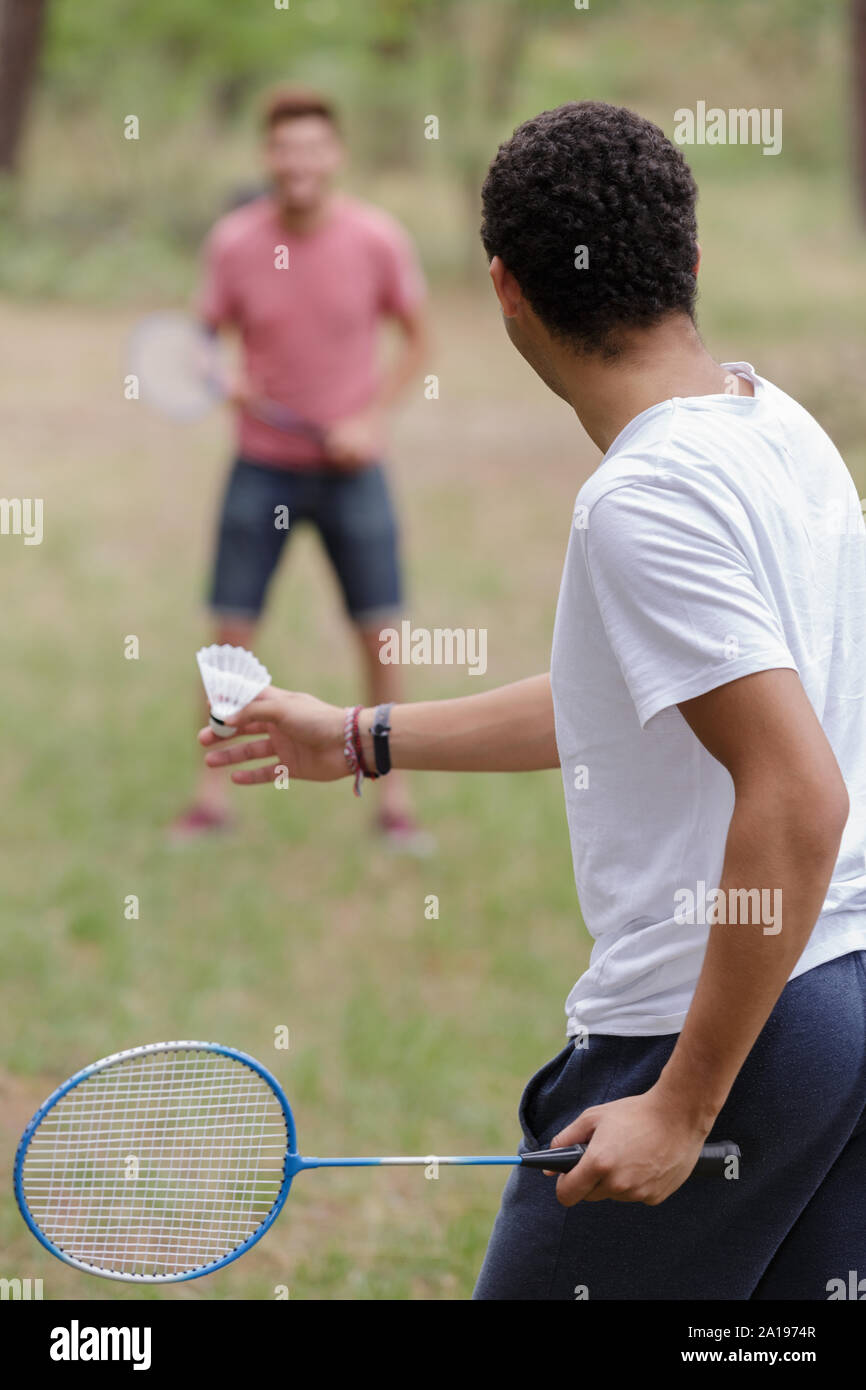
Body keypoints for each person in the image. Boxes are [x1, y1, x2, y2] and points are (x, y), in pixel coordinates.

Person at [198, 102, 866, 1299]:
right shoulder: (782, 429)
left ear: (503, 288)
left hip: (709, 1021)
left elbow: (795, 794)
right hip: (837, 1007)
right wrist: (360, 736)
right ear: (690, 262)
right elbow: (629, 706)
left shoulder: (642, 497)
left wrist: (679, 1103)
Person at [172, 87, 432, 853]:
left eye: (313, 146)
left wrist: (370, 418)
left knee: (379, 635)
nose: (299, 162)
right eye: (285, 148)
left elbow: (419, 339)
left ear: (336, 154)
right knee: (230, 633)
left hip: (354, 469)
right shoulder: (233, 243)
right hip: (264, 466)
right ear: (268, 156)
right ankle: (211, 792)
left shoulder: (377, 239)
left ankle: (396, 796)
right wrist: (223, 377)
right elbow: (198, 341)